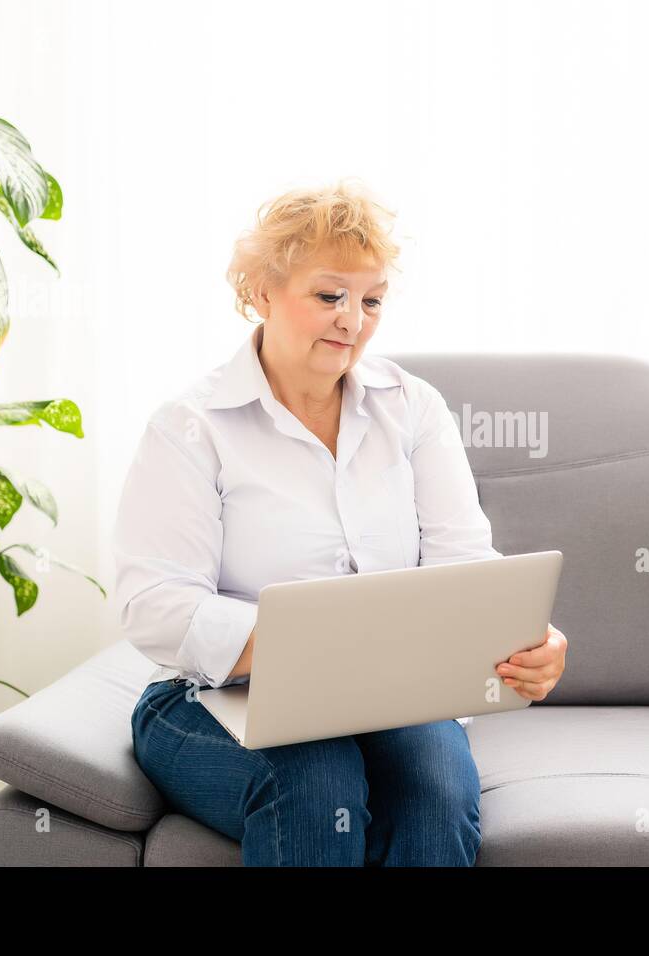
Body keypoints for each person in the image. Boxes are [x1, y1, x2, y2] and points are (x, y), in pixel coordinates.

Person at [116, 180, 568, 865]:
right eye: (330, 295)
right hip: (213, 698)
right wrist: (311, 647)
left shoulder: (412, 407)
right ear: (263, 291)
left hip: (388, 697)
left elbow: (464, 565)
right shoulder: (191, 426)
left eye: (371, 300)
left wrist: (518, 639)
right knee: (315, 779)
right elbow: (155, 606)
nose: (352, 320)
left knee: (435, 790)